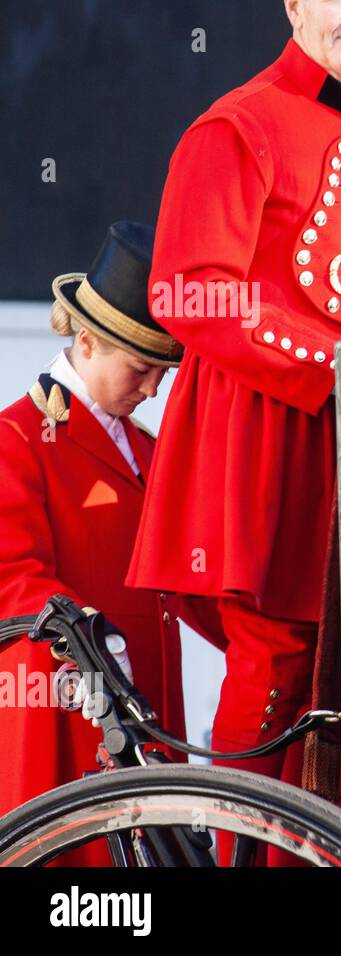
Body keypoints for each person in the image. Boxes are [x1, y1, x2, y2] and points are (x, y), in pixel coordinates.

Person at [125, 0, 341, 826]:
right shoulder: (237, 126)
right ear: (293, 5)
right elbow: (191, 291)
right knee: (279, 669)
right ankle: (240, 848)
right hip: (270, 444)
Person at [0, 222, 224, 866]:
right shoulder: (17, 439)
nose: (153, 388)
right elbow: (15, 580)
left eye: (160, 371)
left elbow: (192, 584)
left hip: (146, 717)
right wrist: (97, 642)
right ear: (88, 341)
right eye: (142, 368)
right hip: (70, 719)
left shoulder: (148, 450)